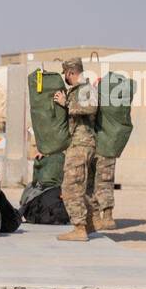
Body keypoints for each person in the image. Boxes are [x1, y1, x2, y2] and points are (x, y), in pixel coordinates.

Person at [55, 58, 99, 241]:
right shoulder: (79, 89)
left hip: (81, 144)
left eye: (65, 73)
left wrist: (66, 104)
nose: (65, 77)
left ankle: (79, 228)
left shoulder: (85, 88)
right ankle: (88, 225)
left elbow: (91, 107)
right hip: (81, 144)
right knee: (81, 187)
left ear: (70, 72)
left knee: (70, 187)